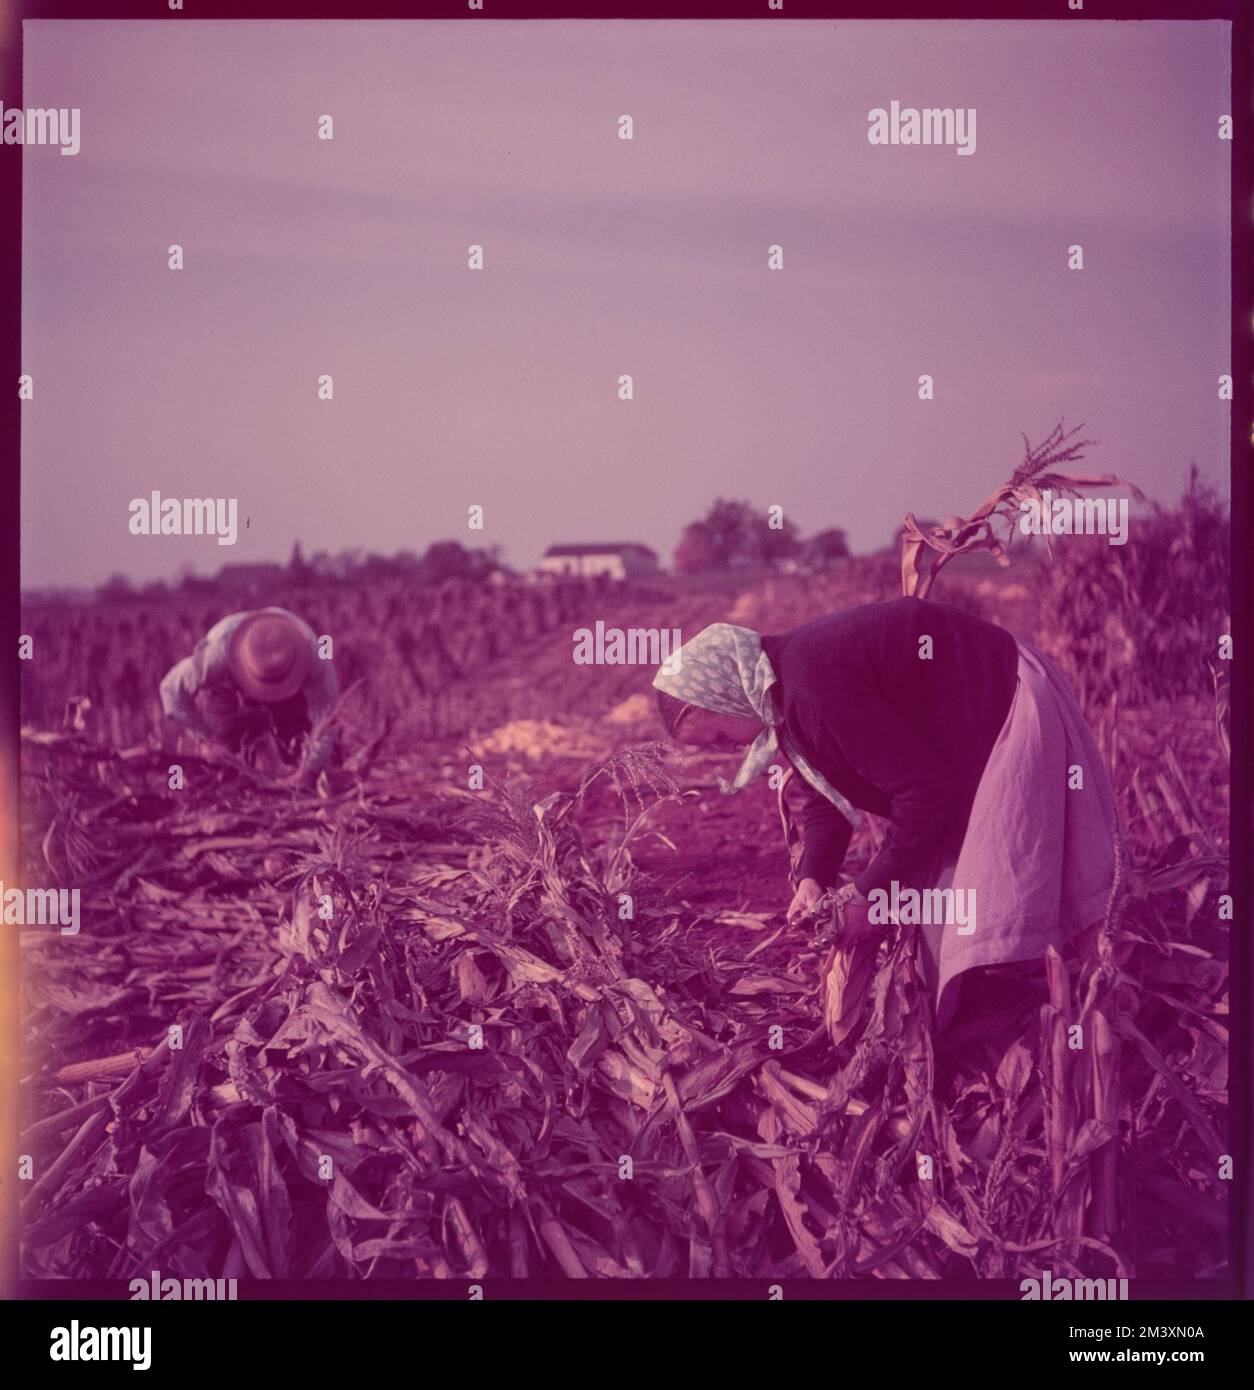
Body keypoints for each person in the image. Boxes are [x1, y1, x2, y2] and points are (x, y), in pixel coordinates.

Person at [653, 596, 1118, 1026]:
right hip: (957, 737)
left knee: (1005, 860)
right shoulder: (782, 696)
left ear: (726, 692)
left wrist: (867, 897)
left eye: (717, 737)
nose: (728, 750)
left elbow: (926, 794)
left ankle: (1100, 998)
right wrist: (814, 876)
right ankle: (1016, 993)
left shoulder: (810, 690)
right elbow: (826, 793)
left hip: (1003, 699)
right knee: (945, 896)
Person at [160, 607, 339, 783]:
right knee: (225, 766)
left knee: (303, 755)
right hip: (227, 690)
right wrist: (207, 741)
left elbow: (327, 717)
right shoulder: (216, 657)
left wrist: (308, 771)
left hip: (292, 696)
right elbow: (171, 689)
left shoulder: (315, 659)